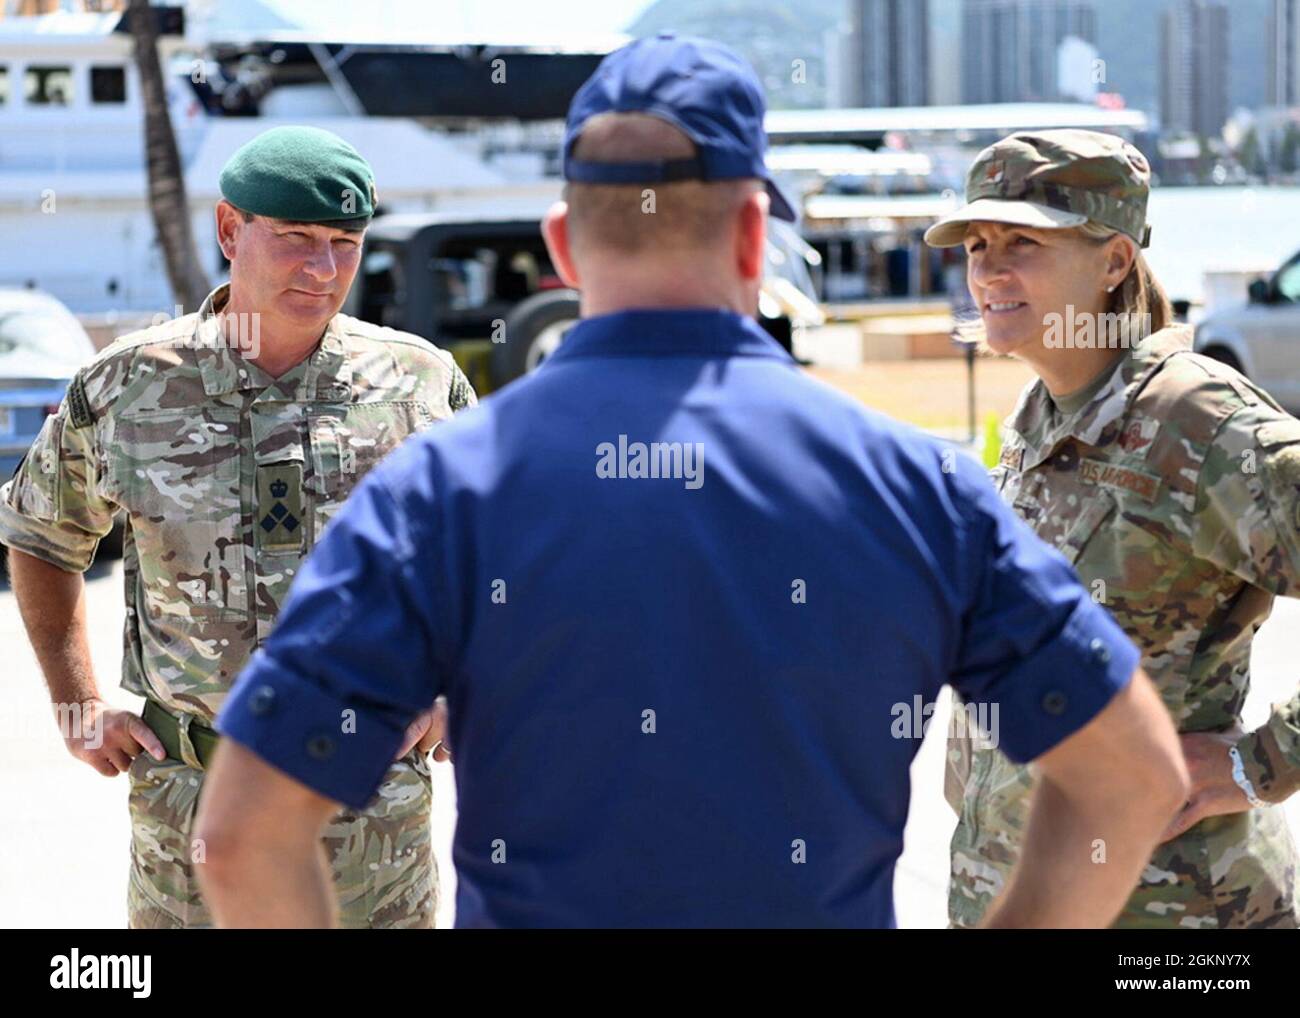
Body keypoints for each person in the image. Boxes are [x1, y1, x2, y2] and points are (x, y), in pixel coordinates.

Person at [195, 35, 1187, 929]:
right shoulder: (912, 485)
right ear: (755, 234)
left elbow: (242, 836)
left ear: (561, 245)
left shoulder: (438, 492)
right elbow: (1132, 775)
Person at [0, 125, 472, 929]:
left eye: (343, 243)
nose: (323, 270)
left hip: (374, 821)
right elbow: (42, 537)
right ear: (229, 230)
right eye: (295, 239)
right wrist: (78, 704)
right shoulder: (127, 387)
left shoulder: (418, 385)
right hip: (188, 819)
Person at [925, 128, 1300, 929]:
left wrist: (1263, 761)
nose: (987, 269)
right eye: (977, 243)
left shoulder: (1196, 424)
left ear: (1115, 261)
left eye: (1022, 240)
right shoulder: (1040, 416)